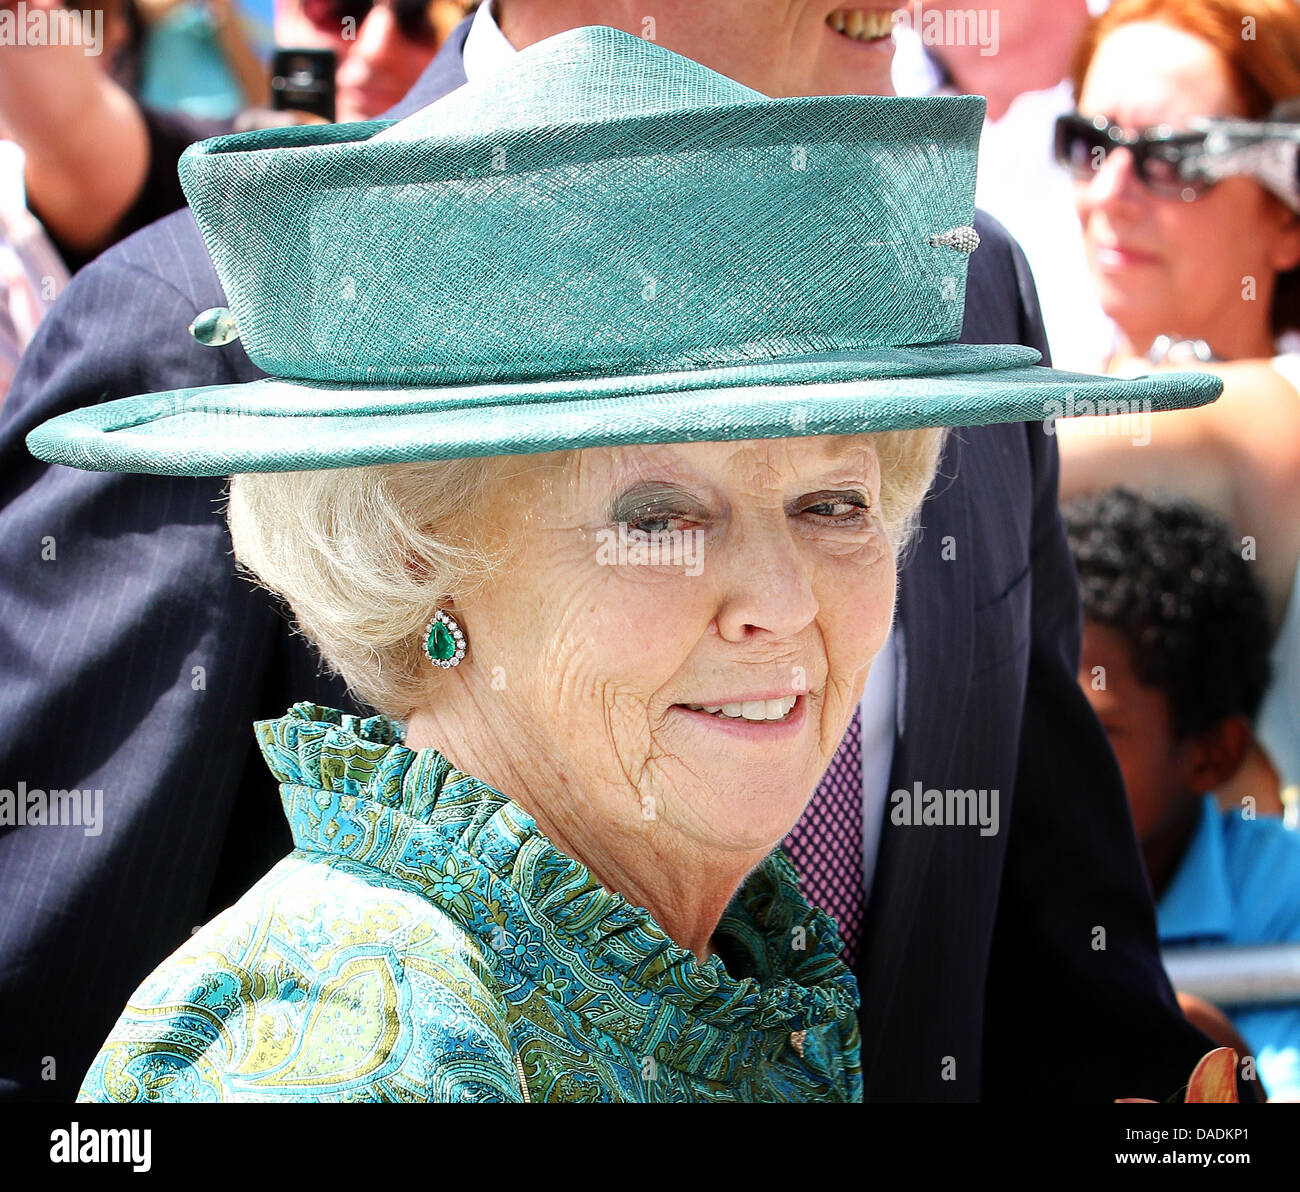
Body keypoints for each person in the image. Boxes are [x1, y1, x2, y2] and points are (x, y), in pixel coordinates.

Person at [0, 0, 1226, 1103]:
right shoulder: (361, 1049)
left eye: (839, 506)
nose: (780, 601)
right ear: (419, 561)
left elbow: (1046, 931)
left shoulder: (737, 970)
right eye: (657, 517)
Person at [1055, 0, 1300, 813]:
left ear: (1287, 214)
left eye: (1176, 158)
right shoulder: (1046, 379)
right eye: (1091, 144)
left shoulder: (1282, 410)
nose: (1115, 192)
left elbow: (1008, 455)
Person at [1065, 487, 1300, 1101]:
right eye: (1031, 721)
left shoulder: (1285, 895)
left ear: (1211, 754)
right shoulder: (977, 875)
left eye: (1094, 732)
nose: (1047, 761)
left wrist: (1199, 1043)